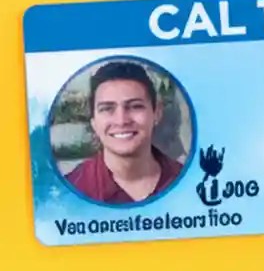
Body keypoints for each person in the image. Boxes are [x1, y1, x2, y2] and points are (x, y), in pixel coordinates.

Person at [64, 61, 184, 204]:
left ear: (156, 113)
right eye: (107, 108)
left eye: (135, 106)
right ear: (93, 122)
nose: (121, 121)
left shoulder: (189, 181)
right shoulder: (67, 192)